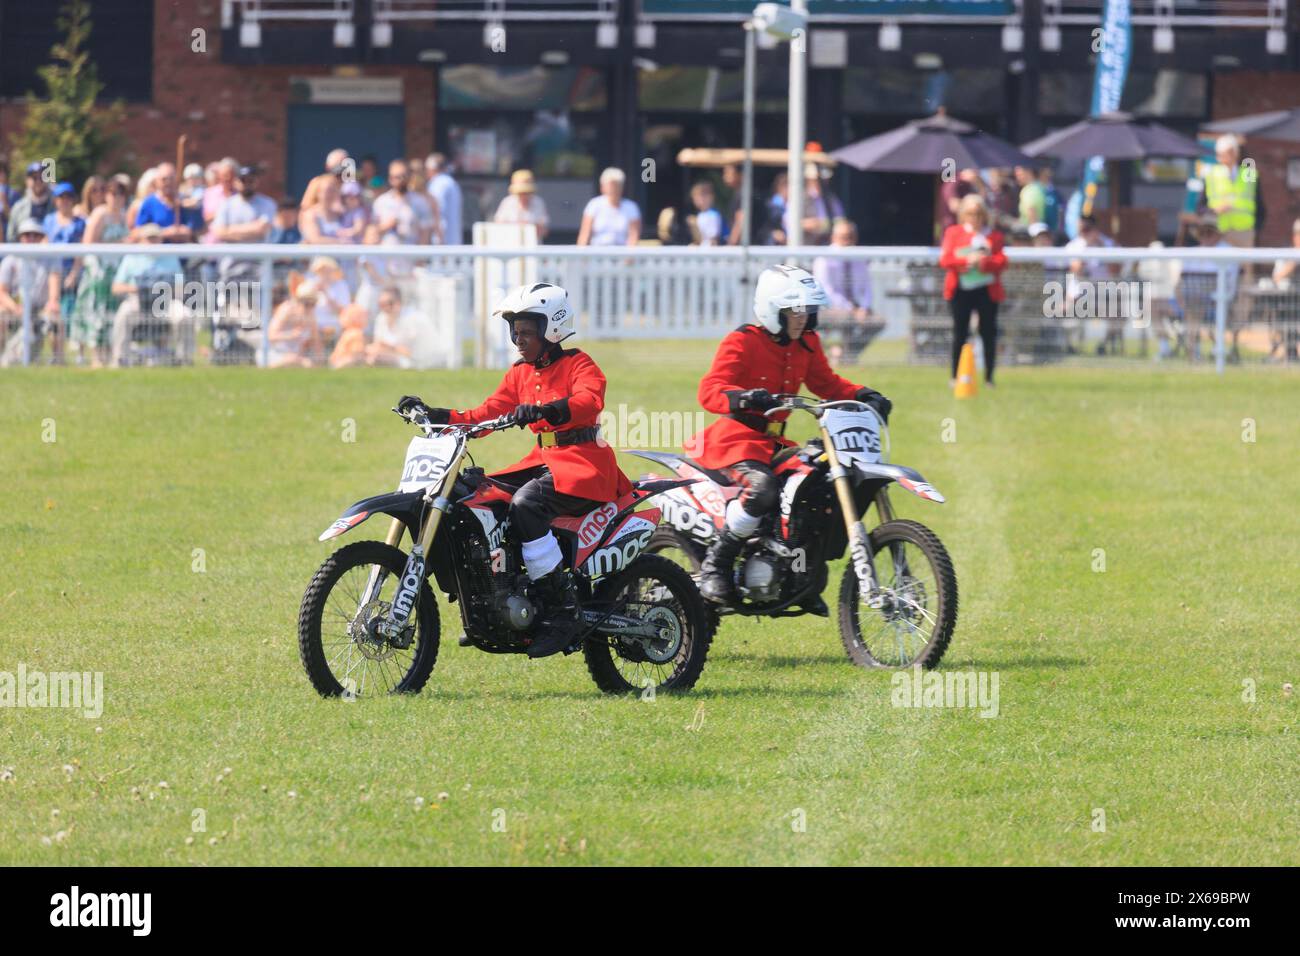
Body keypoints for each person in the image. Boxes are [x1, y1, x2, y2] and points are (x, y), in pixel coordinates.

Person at [395, 282, 633, 658]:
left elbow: (590, 399)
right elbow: (484, 415)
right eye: (515, 332)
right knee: (476, 495)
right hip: (544, 461)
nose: (518, 340)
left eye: (526, 332)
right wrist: (437, 415)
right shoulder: (520, 372)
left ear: (551, 330)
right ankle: (493, 602)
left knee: (526, 504)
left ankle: (562, 609)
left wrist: (547, 410)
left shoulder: (579, 363)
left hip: (586, 463)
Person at [684, 264, 891, 608]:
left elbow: (827, 383)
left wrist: (864, 394)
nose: (802, 317)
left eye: (808, 310)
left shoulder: (807, 343)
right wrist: (744, 396)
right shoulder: (743, 340)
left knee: (817, 486)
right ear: (772, 308)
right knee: (762, 489)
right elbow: (710, 390)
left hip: (776, 444)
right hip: (735, 440)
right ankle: (716, 565)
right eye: (795, 310)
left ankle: (799, 577)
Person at [939, 194, 1007, 387]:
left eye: (978, 213)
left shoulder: (994, 236)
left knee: (988, 332)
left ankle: (988, 378)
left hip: (986, 290)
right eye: (970, 213)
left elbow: (1002, 261)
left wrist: (984, 262)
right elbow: (946, 259)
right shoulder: (954, 233)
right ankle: (955, 376)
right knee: (960, 332)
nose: (974, 218)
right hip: (961, 290)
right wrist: (965, 262)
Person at [73, 174, 131, 367]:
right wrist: (117, 243)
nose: (116, 197)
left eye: (121, 194)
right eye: (113, 193)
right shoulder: (100, 214)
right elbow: (88, 244)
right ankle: (96, 358)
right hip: (98, 274)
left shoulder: (124, 216)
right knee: (95, 314)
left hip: (117, 274)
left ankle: (111, 355)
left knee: (112, 316)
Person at [109, 223, 187, 366]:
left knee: (184, 316)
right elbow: (116, 287)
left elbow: (182, 286)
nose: (152, 242)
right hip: (138, 300)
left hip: (165, 301)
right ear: (141, 240)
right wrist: (137, 289)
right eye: (149, 239)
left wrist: (165, 289)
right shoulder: (131, 258)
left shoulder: (170, 258)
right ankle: (120, 359)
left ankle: (185, 360)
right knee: (123, 314)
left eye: (155, 239)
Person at [812, 219, 879, 362]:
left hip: (855, 307)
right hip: (827, 308)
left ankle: (845, 353)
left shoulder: (859, 257)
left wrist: (864, 307)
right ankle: (833, 353)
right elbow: (826, 291)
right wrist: (851, 309)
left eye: (850, 236)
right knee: (846, 318)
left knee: (877, 321)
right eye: (843, 237)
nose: (847, 240)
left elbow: (867, 286)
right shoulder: (824, 258)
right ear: (833, 237)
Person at [0, 218, 60, 365]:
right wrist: (15, 308)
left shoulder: (50, 259)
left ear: (41, 238)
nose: (31, 239)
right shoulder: (10, 260)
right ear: (20, 238)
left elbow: (54, 284)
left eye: (35, 235)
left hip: (40, 309)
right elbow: (2, 292)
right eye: (27, 235)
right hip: (15, 308)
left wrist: (52, 302)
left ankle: (59, 362)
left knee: (56, 319)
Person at [43, 182, 86, 364]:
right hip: (53, 273)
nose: (65, 201)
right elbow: (44, 244)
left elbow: (81, 249)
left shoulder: (80, 222)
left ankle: (80, 355)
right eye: (61, 197)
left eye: (68, 197)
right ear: (56, 201)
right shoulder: (49, 221)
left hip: (73, 273)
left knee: (77, 313)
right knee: (55, 313)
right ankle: (57, 355)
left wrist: (74, 274)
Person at [1203, 134, 1256, 249]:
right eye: (1219, 154)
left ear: (1235, 153)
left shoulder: (1248, 172)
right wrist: (1214, 210)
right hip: (1219, 230)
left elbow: (1257, 201)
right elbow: (1202, 204)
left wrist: (1256, 227)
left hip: (1244, 231)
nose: (1221, 158)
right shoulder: (1212, 174)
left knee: (1245, 265)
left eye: (1224, 154)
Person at [132, 163, 202, 241]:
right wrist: (163, 233)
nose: (168, 182)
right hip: (159, 251)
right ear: (157, 181)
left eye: (171, 179)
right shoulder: (149, 203)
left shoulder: (187, 200)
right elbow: (137, 232)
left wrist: (188, 232)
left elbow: (201, 229)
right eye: (164, 179)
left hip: (183, 251)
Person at [577, 167, 640, 246]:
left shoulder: (631, 207)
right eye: (611, 185)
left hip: (622, 255)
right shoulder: (593, 205)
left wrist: (628, 257)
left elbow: (633, 236)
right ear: (602, 187)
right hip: (597, 254)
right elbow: (585, 234)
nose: (614, 189)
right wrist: (582, 256)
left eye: (617, 185)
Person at [266, 279, 322, 368]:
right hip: (274, 354)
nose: (309, 307)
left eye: (313, 303)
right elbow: (271, 336)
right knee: (301, 363)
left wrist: (319, 360)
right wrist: (291, 335)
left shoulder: (311, 316)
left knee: (307, 364)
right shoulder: (286, 310)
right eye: (306, 303)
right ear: (298, 300)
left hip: (296, 357)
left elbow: (316, 341)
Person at [784, 164, 843, 245]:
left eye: (825, 180)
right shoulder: (799, 199)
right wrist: (811, 224)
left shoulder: (831, 198)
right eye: (818, 179)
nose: (823, 182)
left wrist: (827, 224)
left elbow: (840, 219)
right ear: (809, 180)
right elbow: (789, 222)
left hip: (826, 245)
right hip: (804, 245)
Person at [365, 285, 416, 368]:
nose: (385, 307)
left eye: (389, 303)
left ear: (399, 303)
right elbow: (376, 345)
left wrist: (389, 347)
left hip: (407, 361)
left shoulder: (411, 319)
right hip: (386, 356)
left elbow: (411, 353)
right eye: (381, 304)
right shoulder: (381, 318)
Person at [493, 169, 550, 239]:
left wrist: (530, 228)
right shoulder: (507, 202)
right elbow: (497, 226)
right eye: (520, 193)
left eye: (526, 192)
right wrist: (515, 227)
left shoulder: (538, 203)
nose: (523, 196)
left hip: (533, 246)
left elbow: (544, 230)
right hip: (510, 245)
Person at [6, 162, 53, 242]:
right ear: (27, 180)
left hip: (50, 252)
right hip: (22, 253)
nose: (38, 181)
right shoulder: (18, 207)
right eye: (34, 178)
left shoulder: (57, 205)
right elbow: (11, 237)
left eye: (42, 178)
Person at [425, 153, 463, 245]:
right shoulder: (451, 182)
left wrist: (439, 237)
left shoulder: (439, 184)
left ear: (433, 169)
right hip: (452, 239)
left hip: (442, 241)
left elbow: (438, 211)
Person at [688, 180, 725, 247]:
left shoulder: (713, 215)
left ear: (711, 197)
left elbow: (714, 239)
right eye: (695, 196)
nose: (698, 199)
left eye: (702, 195)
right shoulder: (700, 215)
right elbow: (700, 238)